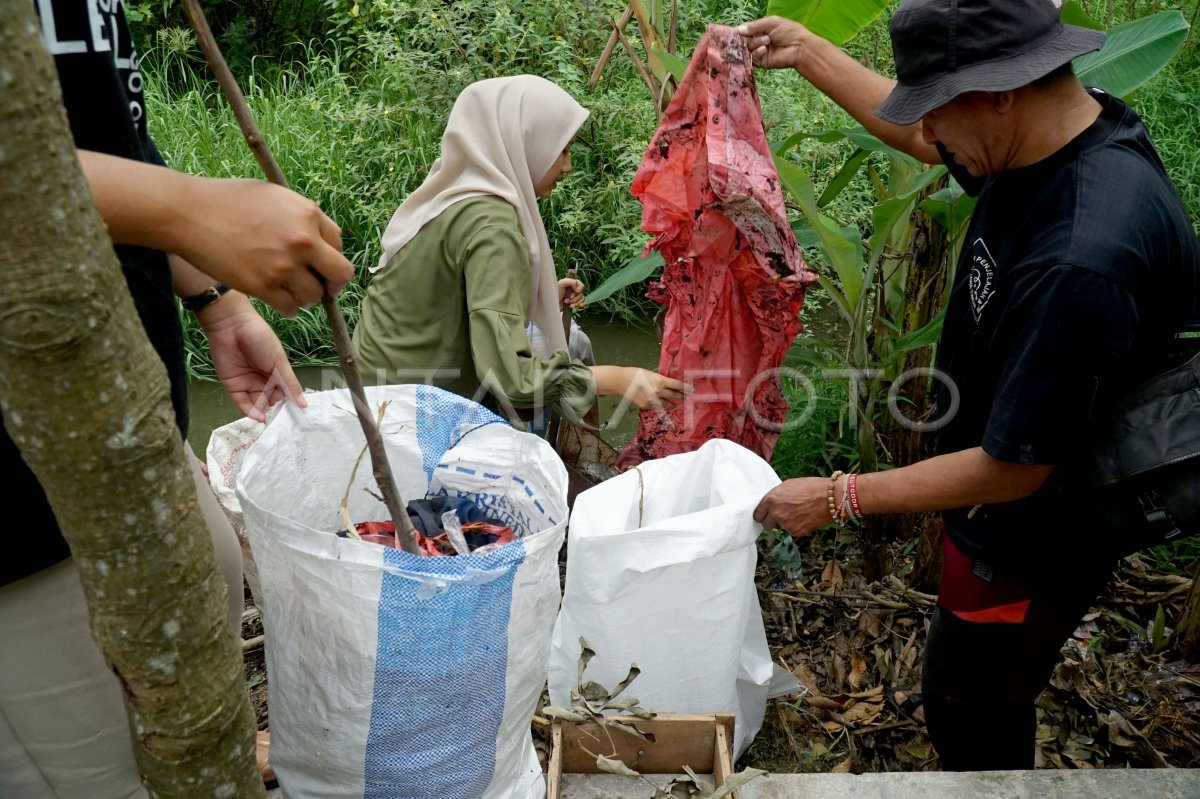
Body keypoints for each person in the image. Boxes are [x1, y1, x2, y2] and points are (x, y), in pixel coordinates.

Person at [742, 0, 1200, 771]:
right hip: (1002, 497)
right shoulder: (1047, 133)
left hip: (1034, 529)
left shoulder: (1081, 256)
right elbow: (925, 138)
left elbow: (1014, 469)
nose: (929, 131)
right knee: (970, 680)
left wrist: (839, 496)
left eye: (936, 107)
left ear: (1001, 92)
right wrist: (809, 50)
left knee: (973, 698)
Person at [0, 1, 353, 795]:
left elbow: (113, 133)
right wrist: (188, 206)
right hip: (20, 507)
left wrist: (214, 298)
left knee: (202, 655)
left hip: (133, 428)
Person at [352, 75, 688, 422]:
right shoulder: (492, 225)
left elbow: (442, 301)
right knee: (576, 350)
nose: (568, 166)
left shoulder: (451, 197)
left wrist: (538, 295)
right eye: (562, 150)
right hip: (407, 414)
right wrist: (619, 379)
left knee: (572, 344)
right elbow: (511, 380)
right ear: (525, 142)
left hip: (369, 388)